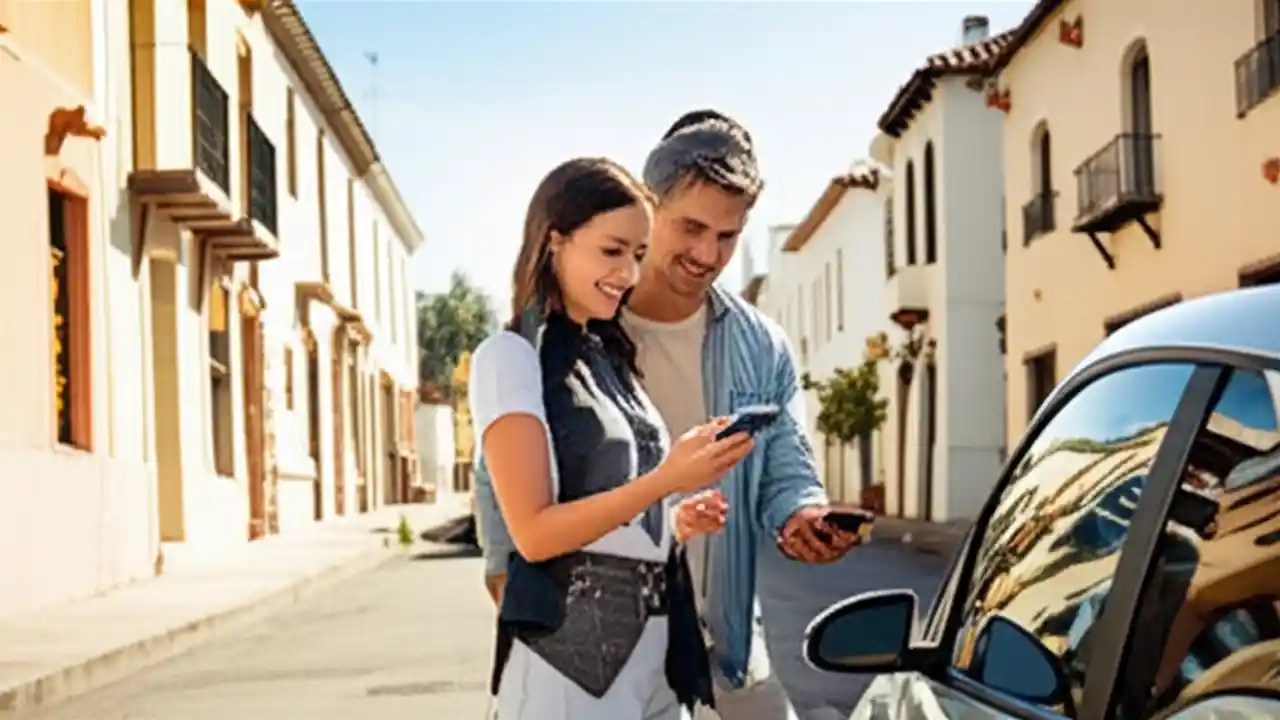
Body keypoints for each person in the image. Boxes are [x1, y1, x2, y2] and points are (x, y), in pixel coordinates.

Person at [474, 111, 866, 720]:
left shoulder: (761, 345)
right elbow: (502, 480)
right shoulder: (580, 325)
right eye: (691, 227)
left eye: (729, 236)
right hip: (597, 649)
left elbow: (787, 469)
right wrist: (512, 589)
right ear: (646, 209)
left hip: (723, 647)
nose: (708, 254)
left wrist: (803, 517)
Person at [470, 156, 756, 719]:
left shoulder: (608, 358)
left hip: (654, 654)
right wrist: (664, 480)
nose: (628, 272)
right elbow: (533, 534)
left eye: (638, 254)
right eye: (612, 250)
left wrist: (673, 520)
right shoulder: (510, 358)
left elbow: (614, 520)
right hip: (567, 668)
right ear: (555, 241)